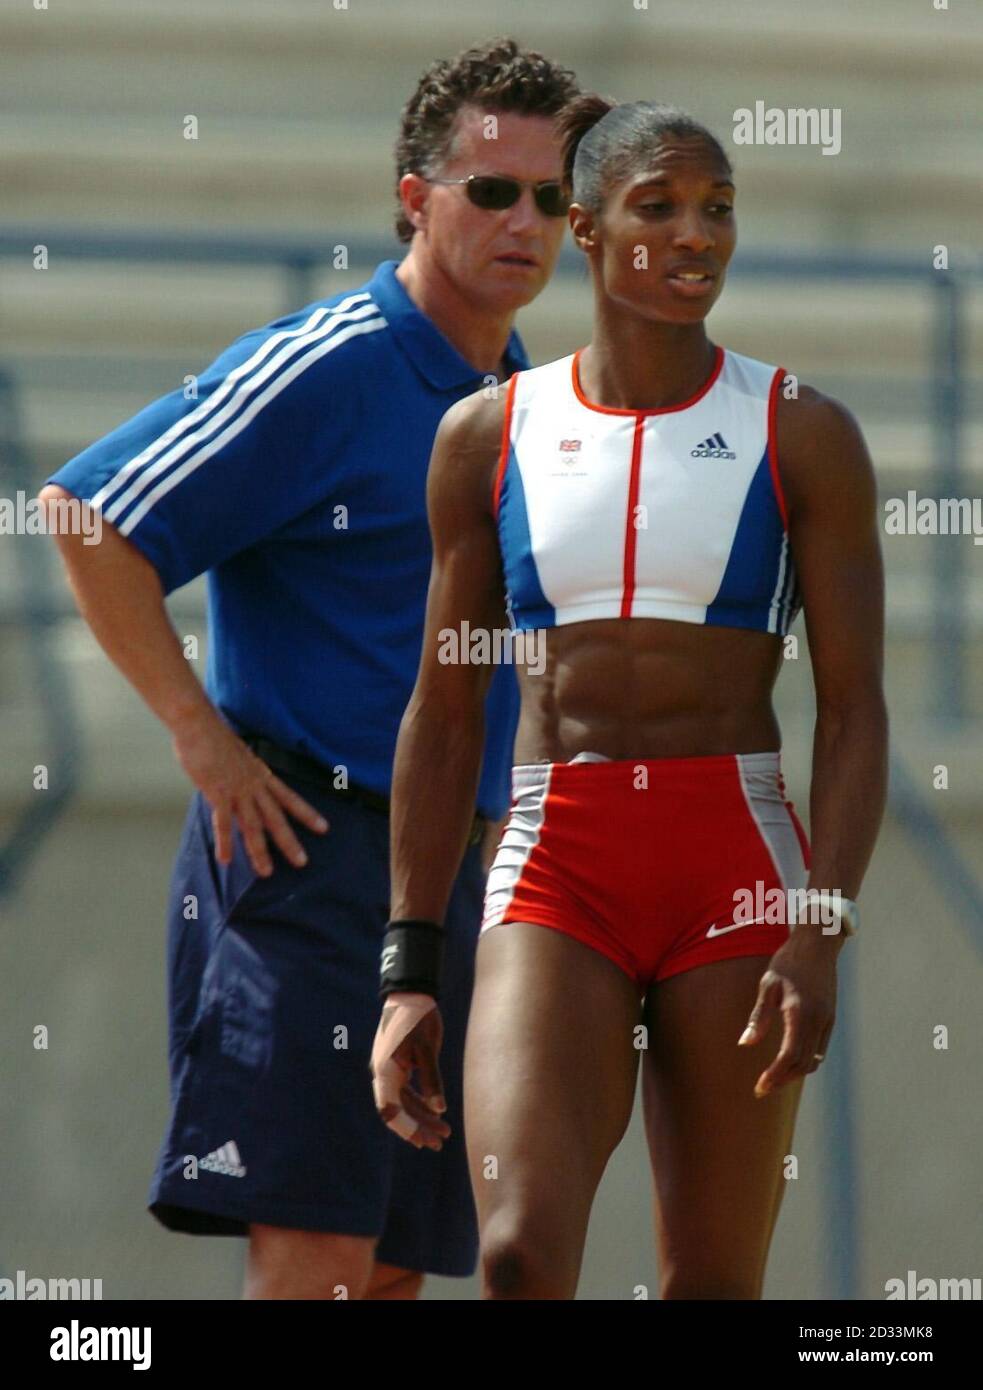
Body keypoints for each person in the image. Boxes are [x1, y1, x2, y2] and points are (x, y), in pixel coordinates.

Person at [38, 36, 580, 1300]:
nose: (525, 221)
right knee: (315, 1267)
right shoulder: (328, 362)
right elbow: (88, 513)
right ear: (414, 200)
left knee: (392, 1270)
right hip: (309, 854)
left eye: (552, 198)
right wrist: (198, 733)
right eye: (491, 190)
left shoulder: (533, 403)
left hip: (452, 881)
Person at [371, 94, 888, 1300]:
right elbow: (444, 713)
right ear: (584, 228)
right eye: (657, 207)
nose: (695, 234)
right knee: (514, 1254)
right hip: (557, 858)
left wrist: (819, 926)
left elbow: (855, 709)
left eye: (717, 210)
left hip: (737, 867)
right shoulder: (483, 433)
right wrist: (406, 966)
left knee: (708, 1282)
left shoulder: (801, 431)